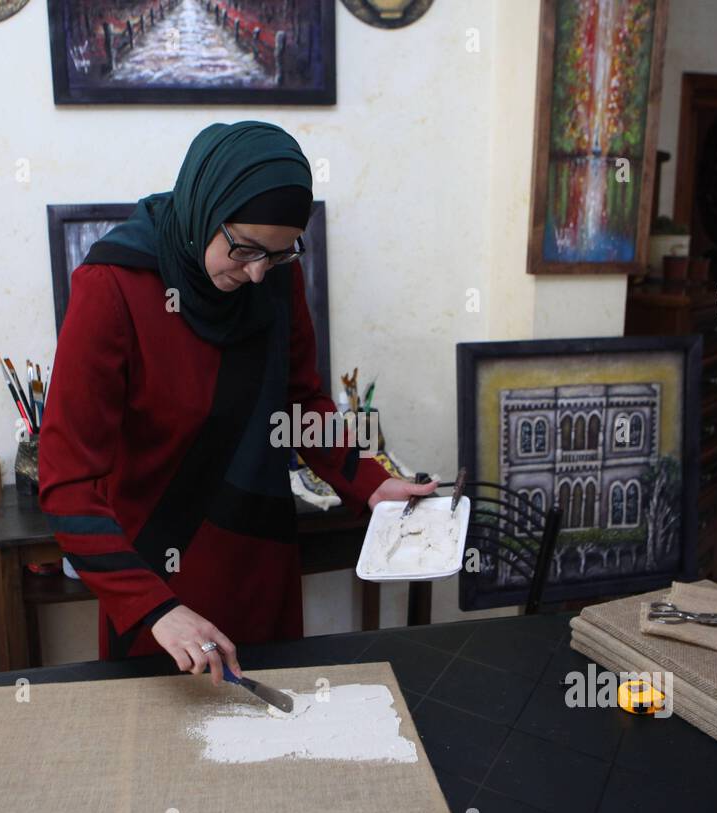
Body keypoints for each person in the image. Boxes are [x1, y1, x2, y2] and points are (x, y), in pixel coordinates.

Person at [38, 120, 433, 685]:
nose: (254, 273)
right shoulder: (113, 287)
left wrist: (371, 482)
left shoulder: (273, 273)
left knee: (273, 746)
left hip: (260, 560)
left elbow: (302, 402)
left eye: (276, 255)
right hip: (156, 577)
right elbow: (67, 482)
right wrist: (154, 608)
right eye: (243, 248)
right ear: (207, 206)